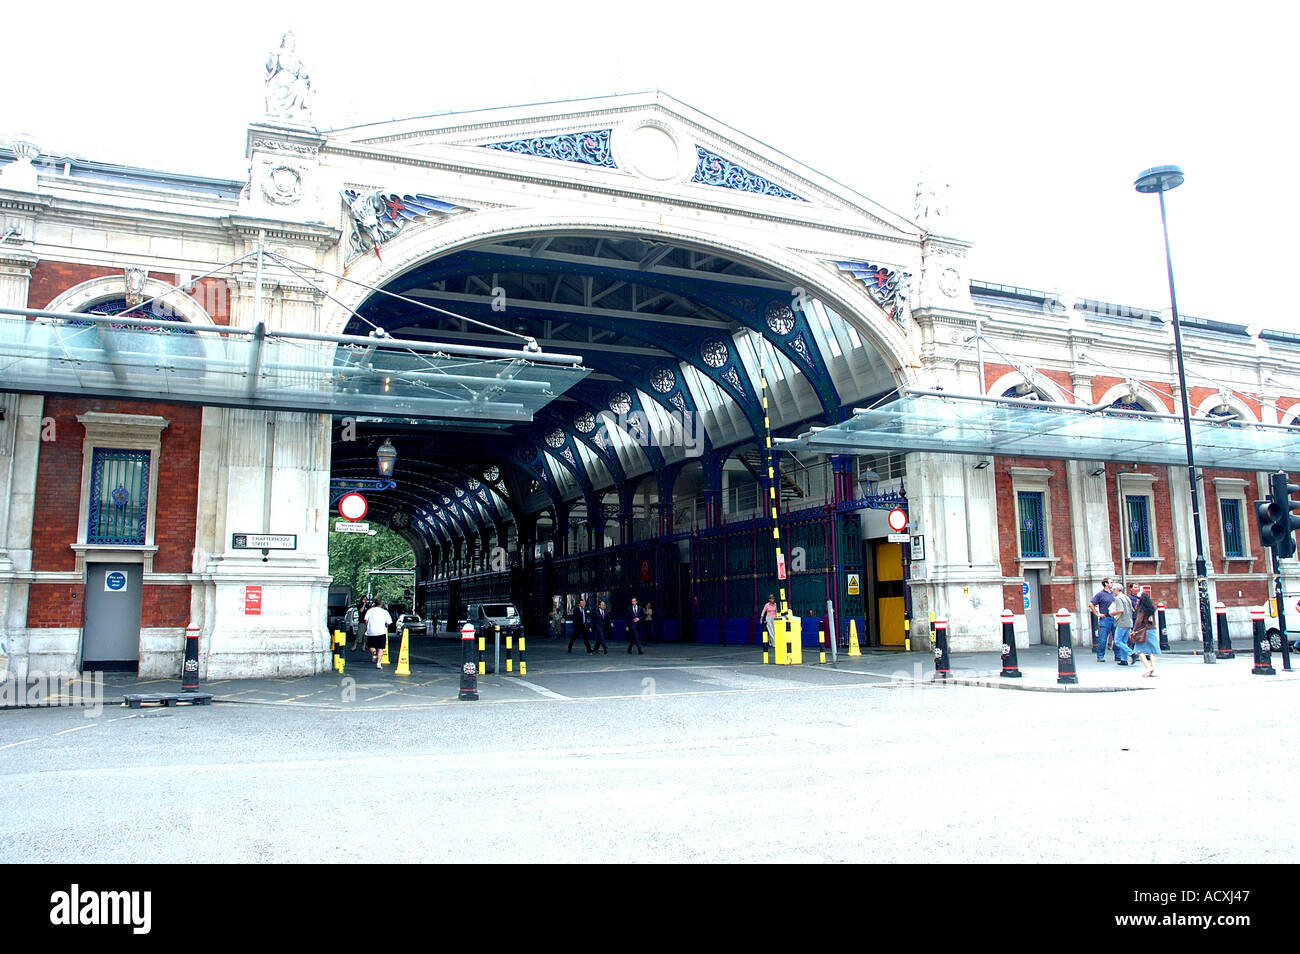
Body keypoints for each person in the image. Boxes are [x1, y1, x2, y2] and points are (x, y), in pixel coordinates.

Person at [1130, 587, 1160, 677]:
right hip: (1152, 630)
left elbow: (1139, 621)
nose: (1137, 600)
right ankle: (1153, 670)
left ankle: (1147, 667)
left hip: (1144, 631)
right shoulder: (1151, 608)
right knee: (1152, 651)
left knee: (1139, 650)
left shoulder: (1141, 609)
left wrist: (1134, 631)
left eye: (1138, 598)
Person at [1089, 579, 1116, 662]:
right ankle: (1100, 656)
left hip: (1115, 618)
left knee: (1117, 638)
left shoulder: (1114, 594)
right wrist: (1097, 614)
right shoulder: (1100, 594)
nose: (1112, 584)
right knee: (1103, 639)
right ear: (1106, 584)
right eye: (1111, 582)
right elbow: (1091, 604)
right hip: (1105, 618)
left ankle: (1118, 655)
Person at [1110, 583, 1135, 665]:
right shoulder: (1126, 597)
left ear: (1117, 590)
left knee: (1117, 641)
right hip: (1129, 621)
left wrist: (1113, 614)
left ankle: (1131, 653)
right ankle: (1124, 660)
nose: (1113, 591)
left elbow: (1120, 610)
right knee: (1123, 641)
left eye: (1113, 589)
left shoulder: (1117, 598)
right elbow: (1132, 609)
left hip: (1122, 622)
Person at [364, 599, 393, 669]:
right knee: (380, 648)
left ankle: (374, 652)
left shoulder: (370, 611)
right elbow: (389, 622)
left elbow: (365, 620)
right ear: (382, 604)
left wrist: (368, 626)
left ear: (375, 604)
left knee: (371, 646)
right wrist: (385, 625)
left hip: (371, 632)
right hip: (381, 632)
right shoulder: (385, 612)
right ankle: (378, 663)